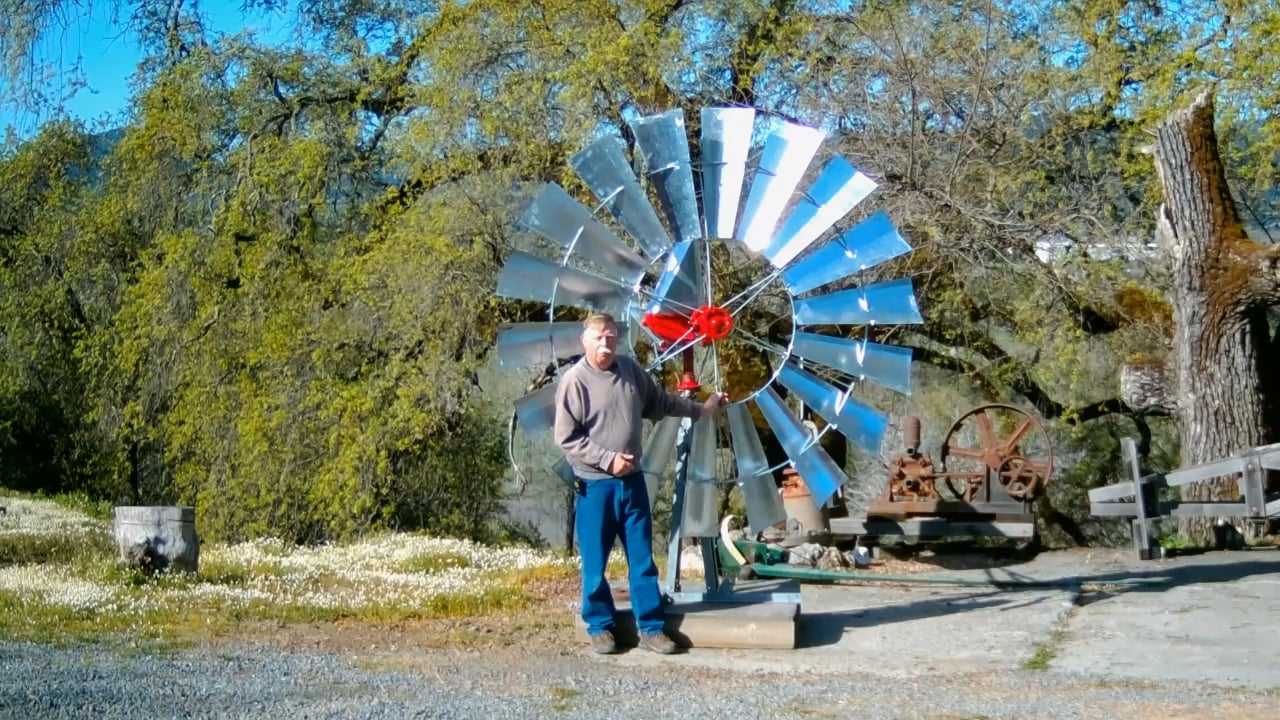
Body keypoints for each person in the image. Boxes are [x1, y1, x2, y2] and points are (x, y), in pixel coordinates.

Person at [554, 311, 728, 655]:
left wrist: (702, 410)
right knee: (595, 563)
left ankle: (651, 629)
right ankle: (600, 627)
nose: (605, 342)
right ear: (585, 340)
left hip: (632, 484)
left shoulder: (630, 371)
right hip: (596, 487)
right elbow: (566, 437)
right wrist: (608, 460)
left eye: (610, 336)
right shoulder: (575, 381)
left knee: (642, 560)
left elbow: (660, 402)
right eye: (598, 336)